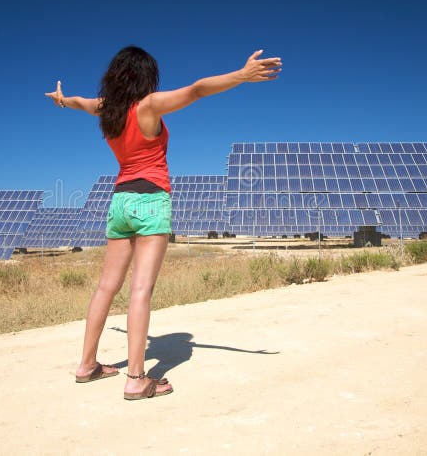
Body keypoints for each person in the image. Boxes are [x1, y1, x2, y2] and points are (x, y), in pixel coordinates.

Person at [45, 46, 281, 400]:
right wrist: (241, 75)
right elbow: (198, 89)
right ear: (145, 76)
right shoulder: (149, 106)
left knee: (106, 287)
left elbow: (81, 102)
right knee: (140, 290)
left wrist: (62, 100)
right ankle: (137, 379)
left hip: (120, 200)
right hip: (151, 200)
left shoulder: (105, 109)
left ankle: (87, 365)